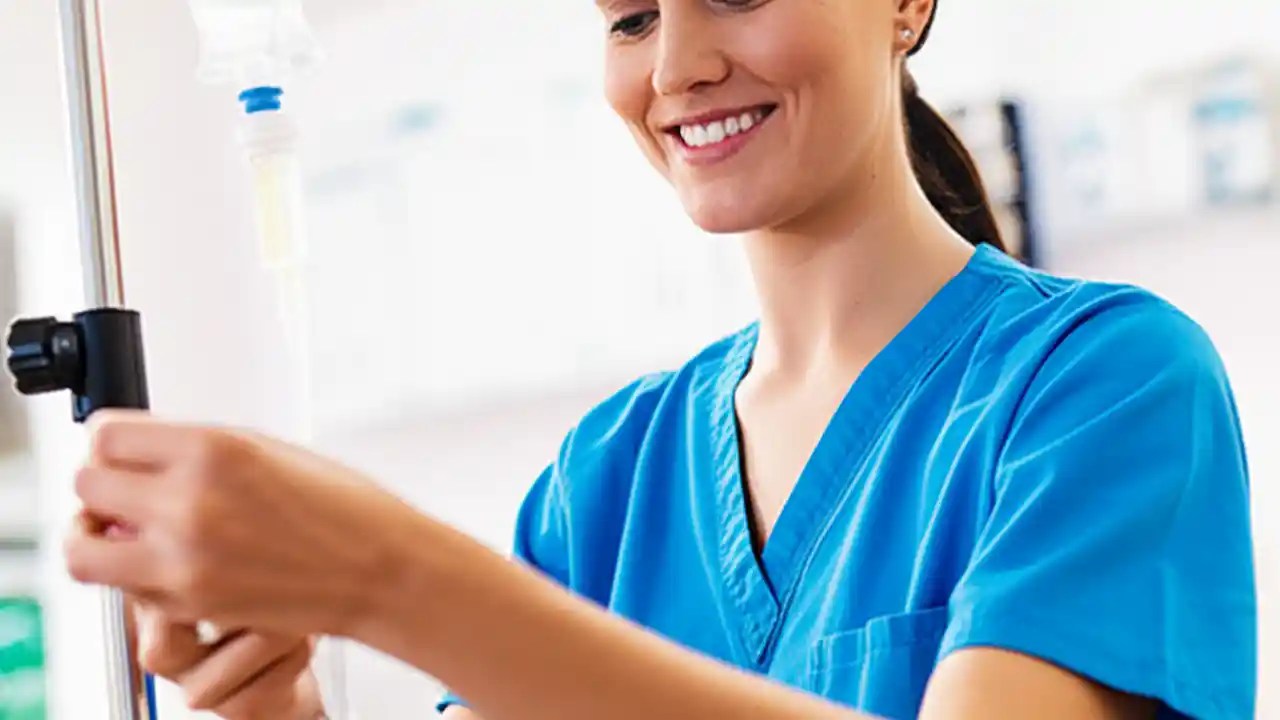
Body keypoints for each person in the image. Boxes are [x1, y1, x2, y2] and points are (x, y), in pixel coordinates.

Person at [65, 0, 1256, 718]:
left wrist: (395, 579)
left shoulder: (1101, 386)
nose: (676, 65)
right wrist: (280, 702)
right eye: (628, 16)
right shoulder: (610, 479)